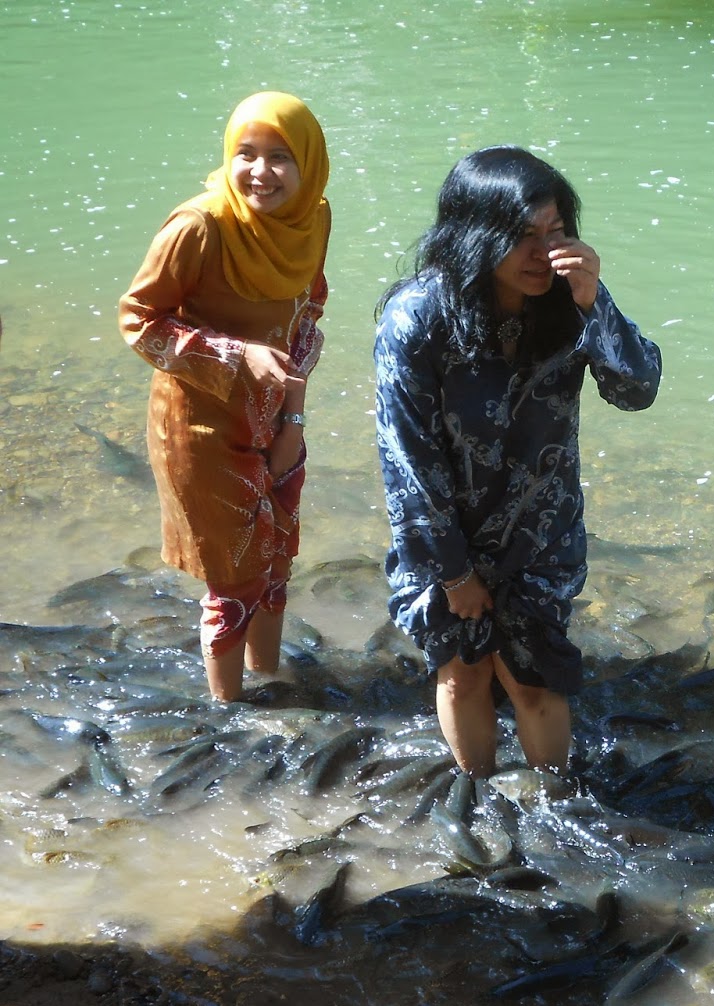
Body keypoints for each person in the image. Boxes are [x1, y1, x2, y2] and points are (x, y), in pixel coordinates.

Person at [374, 146, 662, 777]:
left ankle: (554, 807)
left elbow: (637, 390)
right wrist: (453, 574)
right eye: (522, 237)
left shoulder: (569, 301)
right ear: (475, 237)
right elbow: (408, 462)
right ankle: (476, 794)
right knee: (464, 676)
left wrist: (594, 303)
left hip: (541, 531)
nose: (544, 254)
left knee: (537, 683)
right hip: (448, 535)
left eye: (555, 232)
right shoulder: (418, 318)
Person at [120, 92, 331, 702]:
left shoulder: (311, 219)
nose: (260, 172)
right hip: (200, 424)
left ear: (309, 164)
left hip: (275, 414)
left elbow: (306, 317)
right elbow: (139, 321)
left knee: (278, 559)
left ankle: (272, 681)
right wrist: (236, 354)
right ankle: (232, 717)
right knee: (234, 573)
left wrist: (292, 416)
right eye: (246, 154)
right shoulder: (199, 227)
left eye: (280, 157)